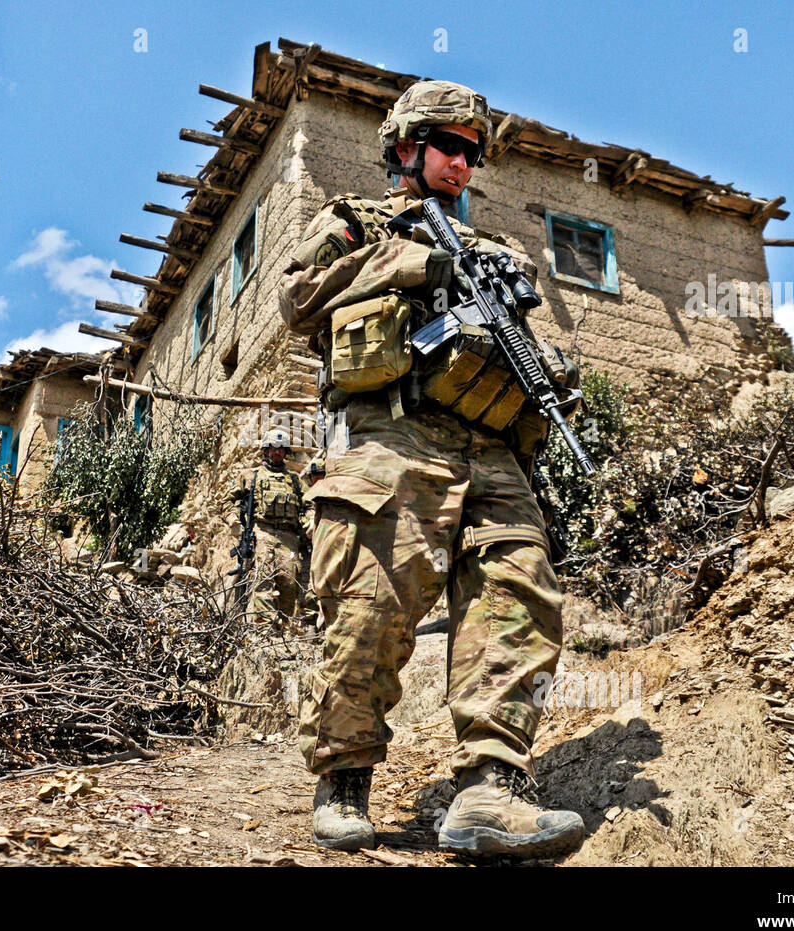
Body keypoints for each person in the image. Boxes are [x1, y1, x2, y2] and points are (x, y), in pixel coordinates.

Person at [278, 80, 585, 857]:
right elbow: (298, 301)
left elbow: (501, 344)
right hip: (393, 434)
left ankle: (490, 787)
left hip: (492, 451)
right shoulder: (356, 222)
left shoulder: (492, 255)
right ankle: (343, 777)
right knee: (369, 608)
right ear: (407, 148)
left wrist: (548, 377)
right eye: (449, 147)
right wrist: (410, 266)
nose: (463, 164)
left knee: (518, 599)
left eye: (473, 153)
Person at [228, 428, 308, 633]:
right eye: (273, 448)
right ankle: (264, 631)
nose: (277, 452)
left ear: (286, 452)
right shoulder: (251, 476)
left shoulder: (296, 481)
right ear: (266, 450)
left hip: (289, 538)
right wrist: (234, 522)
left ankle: (281, 630)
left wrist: (309, 523)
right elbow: (229, 501)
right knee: (263, 582)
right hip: (262, 533)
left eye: (281, 449)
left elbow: (309, 505)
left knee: (289, 584)